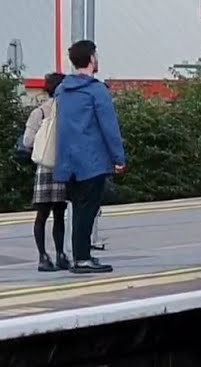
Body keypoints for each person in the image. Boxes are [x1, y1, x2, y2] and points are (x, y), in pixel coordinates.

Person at [55, 39, 128, 274]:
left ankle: (80, 255)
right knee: (88, 210)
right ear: (92, 59)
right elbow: (109, 127)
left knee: (78, 209)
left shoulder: (62, 90)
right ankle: (83, 258)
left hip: (68, 162)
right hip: (92, 161)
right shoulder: (96, 91)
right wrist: (119, 158)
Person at [21, 72, 70, 272]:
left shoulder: (39, 112)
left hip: (44, 167)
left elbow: (27, 141)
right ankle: (60, 254)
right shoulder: (67, 112)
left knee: (42, 214)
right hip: (62, 166)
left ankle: (42, 256)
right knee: (59, 214)